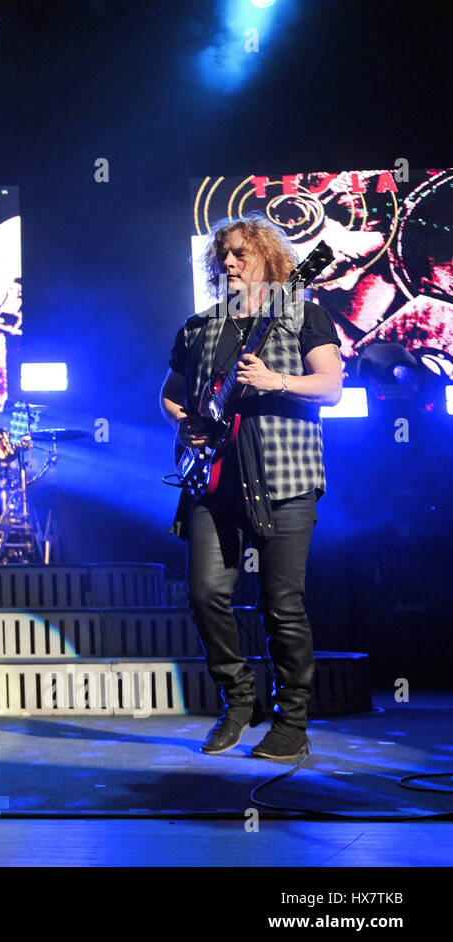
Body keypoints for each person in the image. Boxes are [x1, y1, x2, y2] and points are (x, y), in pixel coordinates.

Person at [160, 215, 343, 760]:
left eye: (241, 254)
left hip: (285, 480)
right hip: (216, 483)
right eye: (224, 257)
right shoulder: (199, 327)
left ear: (269, 259)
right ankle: (240, 700)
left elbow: (331, 387)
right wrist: (184, 421)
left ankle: (292, 723)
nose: (230, 263)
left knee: (281, 604)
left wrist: (275, 381)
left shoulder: (303, 315)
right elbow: (169, 395)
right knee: (204, 595)